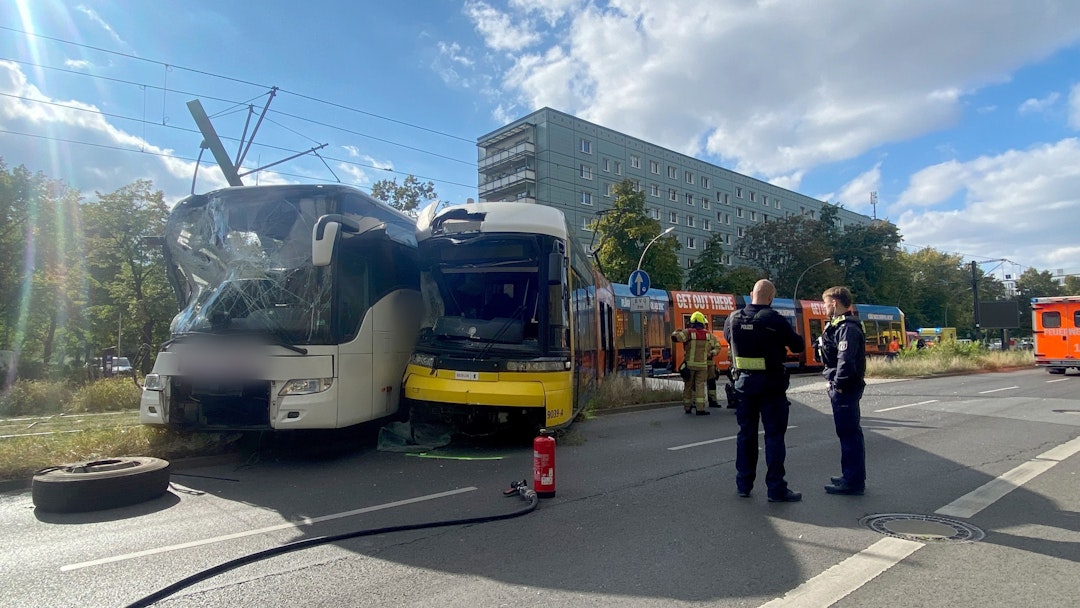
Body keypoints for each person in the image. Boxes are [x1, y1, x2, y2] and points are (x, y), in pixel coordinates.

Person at [723, 279, 805, 502]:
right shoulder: (775, 320)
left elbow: (728, 340)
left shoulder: (733, 319)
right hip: (771, 387)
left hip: (743, 387)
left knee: (746, 435)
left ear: (751, 294)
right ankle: (776, 488)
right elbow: (798, 346)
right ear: (771, 298)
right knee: (774, 437)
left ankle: (743, 484)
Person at [819, 286, 867, 496]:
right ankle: (849, 475)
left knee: (849, 434)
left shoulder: (847, 327)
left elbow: (845, 360)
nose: (824, 307)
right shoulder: (840, 325)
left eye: (826, 303)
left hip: (845, 388)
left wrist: (838, 384)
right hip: (843, 387)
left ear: (835, 303)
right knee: (847, 433)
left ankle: (853, 481)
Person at [671, 310, 719, 416]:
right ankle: (700, 409)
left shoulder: (688, 332)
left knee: (688, 386)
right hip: (702, 365)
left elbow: (675, 338)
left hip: (690, 365)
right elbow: (716, 346)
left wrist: (676, 331)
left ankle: (687, 407)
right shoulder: (708, 335)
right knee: (700, 386)